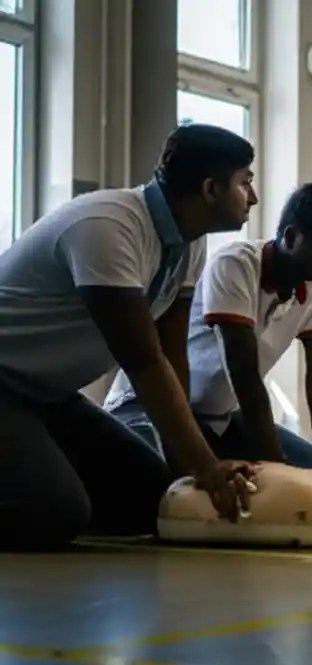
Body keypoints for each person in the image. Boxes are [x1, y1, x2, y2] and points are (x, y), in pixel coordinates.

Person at [0, 124, 259, 550]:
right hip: (4, 385)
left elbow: (173, 354)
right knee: (54, 514)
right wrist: (206, 466)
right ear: (211, 188)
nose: (252, 197)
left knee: (154, 502)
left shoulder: (189, 245)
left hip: (48, 396)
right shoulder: (108, 227)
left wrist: (187, 470)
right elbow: (142, 360)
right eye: (245, 182)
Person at [104, 182, 312, 471]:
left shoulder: (310, 290)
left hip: (218, 420)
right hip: (151, 411)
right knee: (183, 485)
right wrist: (278, 469)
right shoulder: (235, 265)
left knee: (310, 471)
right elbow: (244, 375)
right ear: (291, 237)